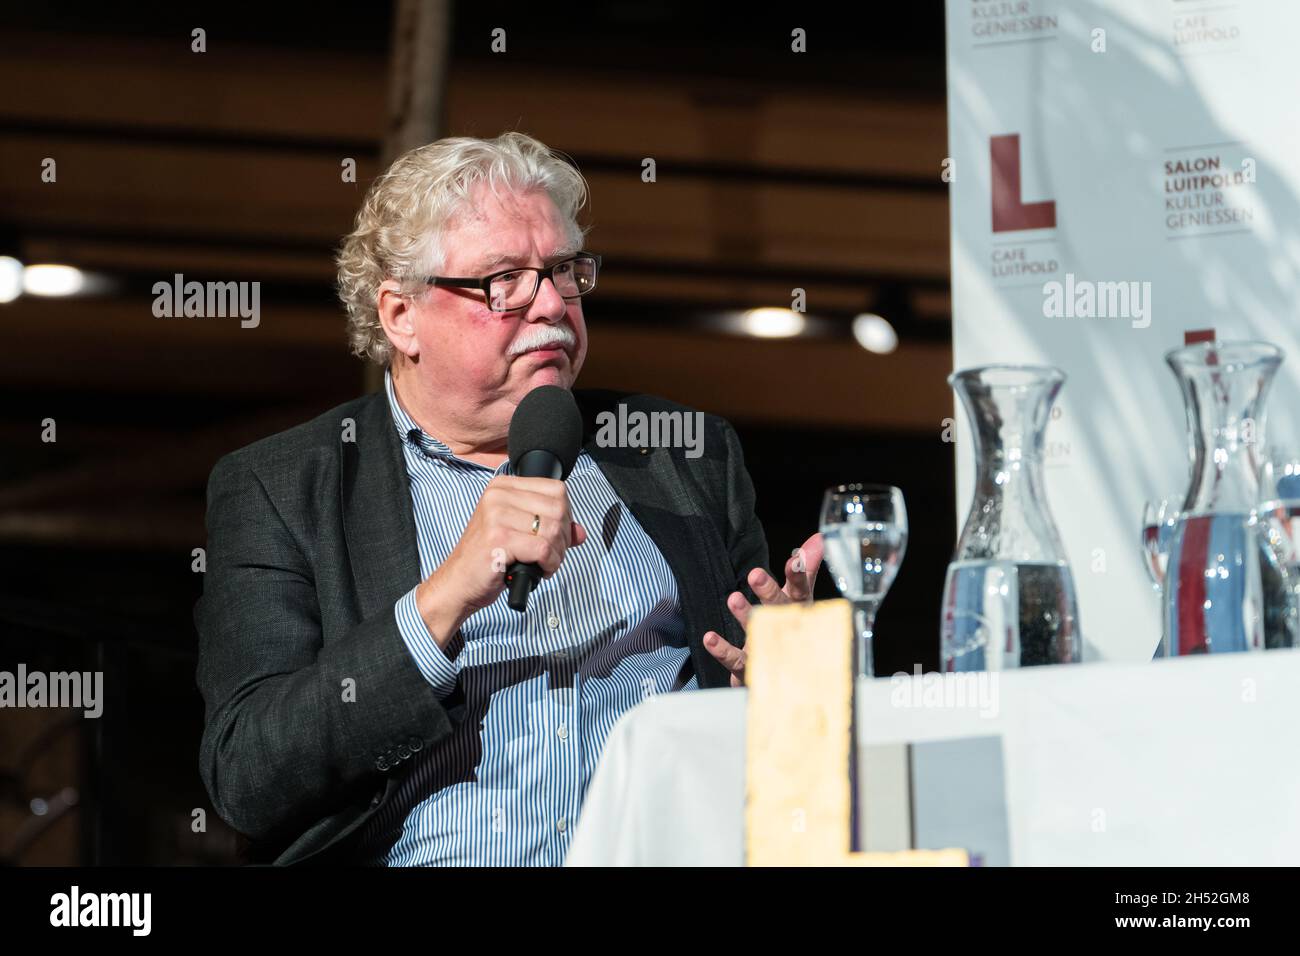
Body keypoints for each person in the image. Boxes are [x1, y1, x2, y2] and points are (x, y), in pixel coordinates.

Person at [194, 131, 823, 865]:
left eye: (563, 271)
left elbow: (771, 728)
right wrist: (442, 602)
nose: (552, 303)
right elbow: (247, 776)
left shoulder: (680, 452)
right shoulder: (283, 489)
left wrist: (783, 678)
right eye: (504, 281)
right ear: (401, 315)